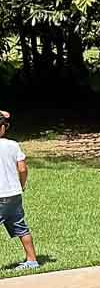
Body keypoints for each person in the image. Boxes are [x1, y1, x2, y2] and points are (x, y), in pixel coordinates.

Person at [0, 110, 39, 270]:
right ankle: (32, 260)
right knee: (21, 227)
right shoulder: (13, 145)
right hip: (14, 193)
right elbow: (22, 169)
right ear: (3, 128)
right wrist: (21, 185)